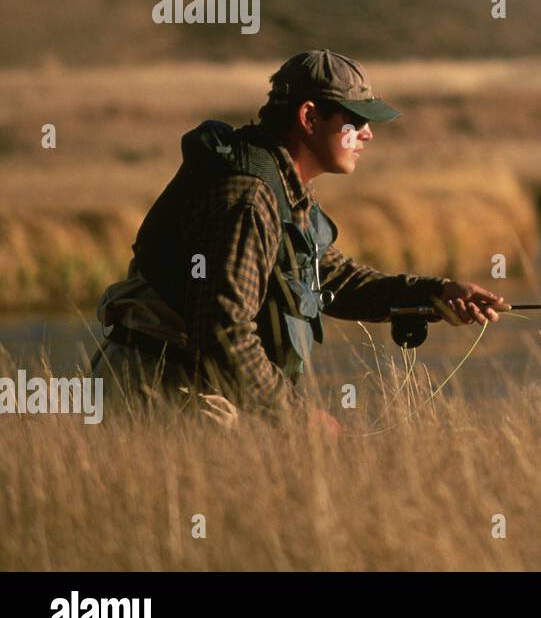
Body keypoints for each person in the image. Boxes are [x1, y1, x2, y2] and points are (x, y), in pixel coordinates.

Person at [94, 49, 508, 432]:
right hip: (162, 393)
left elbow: (331, 278)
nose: (367, 134)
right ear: (310, 118)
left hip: (186, 385)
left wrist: (435, 294)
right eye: (354, 121)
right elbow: (224, 332)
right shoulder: (249, 197)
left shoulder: (280, 183)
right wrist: (301, 419)